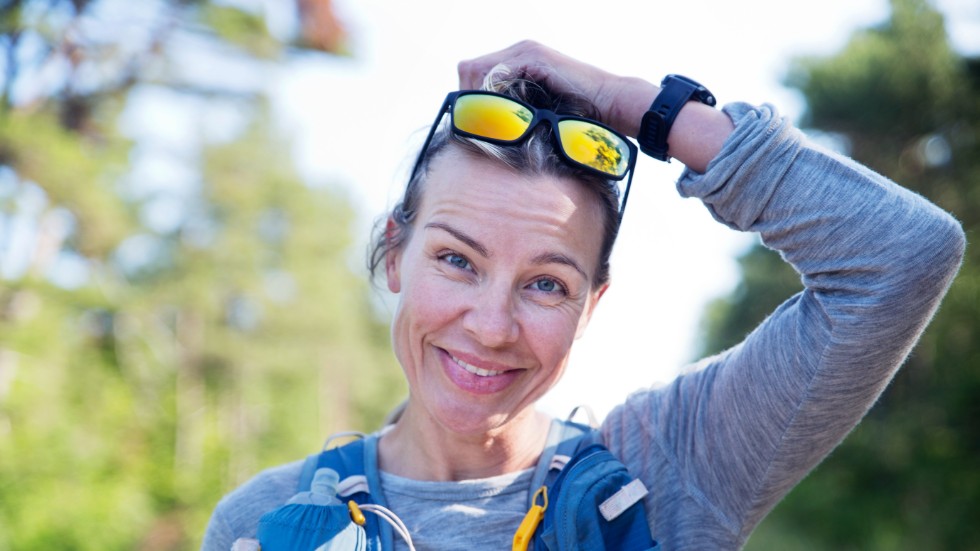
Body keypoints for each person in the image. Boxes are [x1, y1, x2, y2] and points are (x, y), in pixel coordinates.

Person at [201, 40, 965, 550]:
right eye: (457, 261)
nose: (492, 325)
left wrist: (642, 107)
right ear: (395, 251)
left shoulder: (665, 474)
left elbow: (902, 253)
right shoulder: (262, 523)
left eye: (545, 283)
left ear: (592, 305)